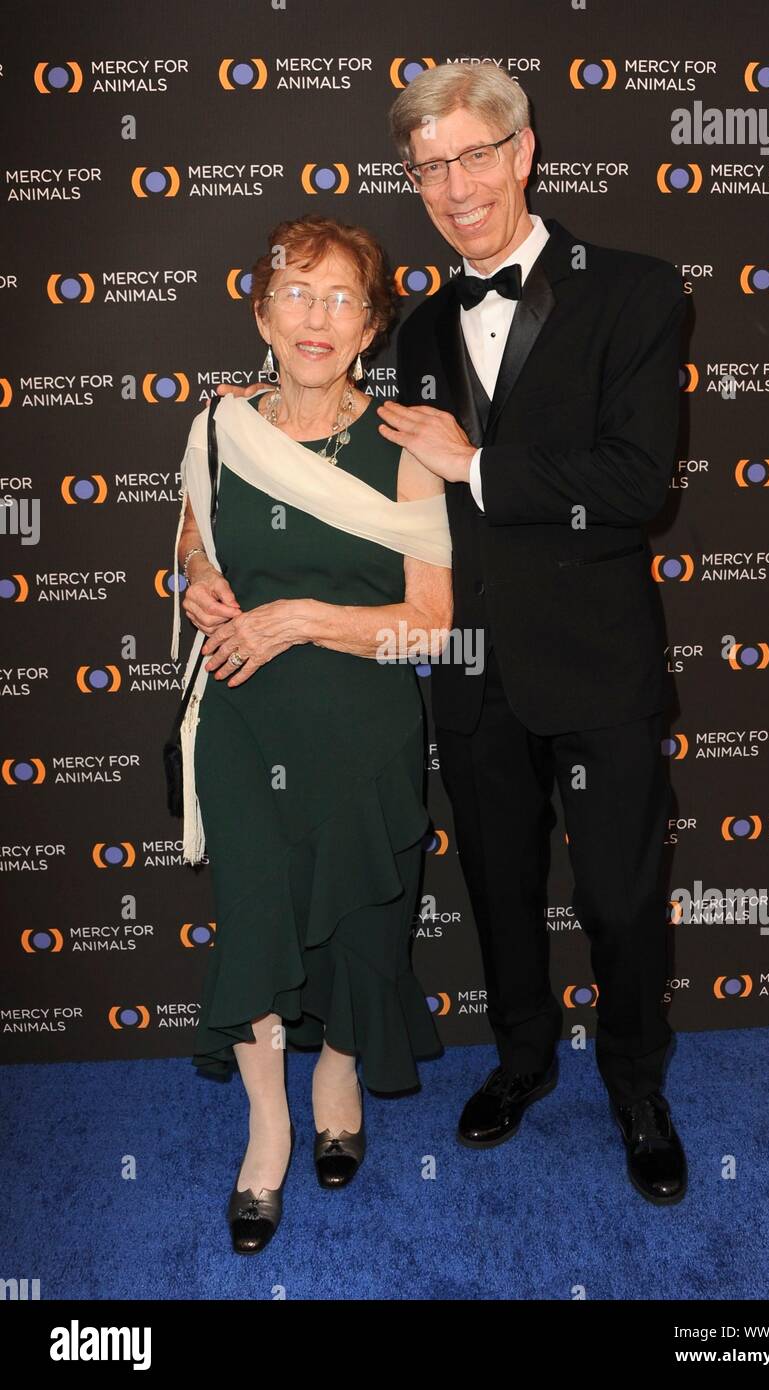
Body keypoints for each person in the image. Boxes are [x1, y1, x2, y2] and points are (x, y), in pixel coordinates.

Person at [376, 62, 689, 1204]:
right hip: (469, 668)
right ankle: (518, 1061)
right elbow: (399, 510)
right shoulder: (416, 328)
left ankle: (635, 1085)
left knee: (615, 896)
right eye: (427, 167)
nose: (452, 187)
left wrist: (479, 464)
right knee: (499, 890)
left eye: (470, 156)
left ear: (521, 153)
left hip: (595, 659)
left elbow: (635, 478)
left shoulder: (637, 292)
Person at [170, 213, 452, 1254]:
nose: (316, 316)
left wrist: (299, 618)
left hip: (364, 725)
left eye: (342, 297)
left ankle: (337, 1074)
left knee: (358, 919)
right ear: (261, 312)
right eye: (296, 292)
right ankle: (269, 1125)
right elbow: (194, 548)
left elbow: (432, 623)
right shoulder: (215, 428)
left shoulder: (402, 445)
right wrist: (199, 586)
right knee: (254, 912)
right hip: (243, 718)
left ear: (372, 324)